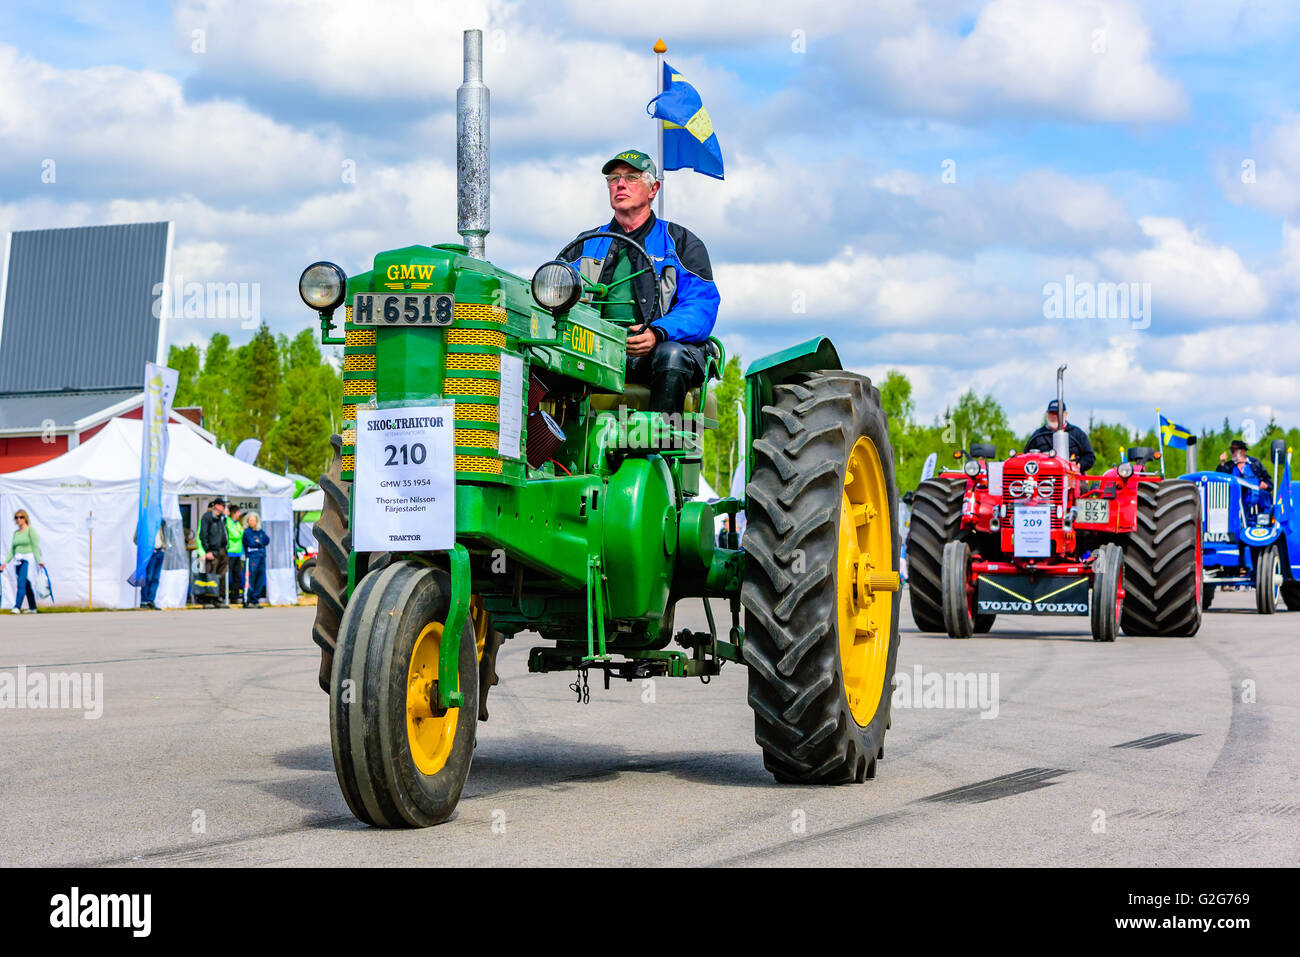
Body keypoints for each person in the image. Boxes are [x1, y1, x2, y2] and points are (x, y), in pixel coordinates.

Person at [564, 149, 720, 413]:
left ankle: (663, 447)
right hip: (594, 350)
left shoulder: (680, 243)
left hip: (657, 353)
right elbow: (551, 291)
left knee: (672, 355)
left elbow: (701, 306)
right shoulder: (585, 244)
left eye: (631, 177)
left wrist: (657, 333)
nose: (620, 184)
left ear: (653, 189)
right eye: (614, 179)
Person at [1023, 399, 1096, 472]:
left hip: (1072, 477)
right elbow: (1026, 456)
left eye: (1058, 413)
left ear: (1065, 414)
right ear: (1047, 414)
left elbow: (1090, 457)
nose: (1054, 416)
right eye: (1052, 413)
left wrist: (1078, 466)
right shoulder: (1038, 435)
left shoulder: (1077, 433)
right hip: (1043, 477)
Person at [1, 509, 44, 613]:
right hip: (18, 561)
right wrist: (5, 563)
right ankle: (33, 607)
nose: (19, 519)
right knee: (26, 584)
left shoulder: (30, 531)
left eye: (21, 517)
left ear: (25, 518)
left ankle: (17, 606)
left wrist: (39, 561)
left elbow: (35, 547)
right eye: (16, 517)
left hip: (27, 560)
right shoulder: (16, 533)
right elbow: (12, 549)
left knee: (21, 583)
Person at [1218, 440, 1272, 517]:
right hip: (1235, 502)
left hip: (1254, 503)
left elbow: (1269, 482)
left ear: (1242, 451)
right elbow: (1220, 478)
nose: (1231, 453)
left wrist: (1265, 485)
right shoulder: (1229, 466)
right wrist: (1222, 463)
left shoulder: (1255, 464)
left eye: (1233, 450)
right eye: (1231, 450)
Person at [199, 498, 230, 607]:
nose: (224, 508)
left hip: (223, 550)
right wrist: (207, 550)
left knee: (221, 576)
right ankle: (209, 600)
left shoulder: (222, 518)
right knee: (211, 575)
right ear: (216, 506)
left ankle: (218, 598)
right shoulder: (207, 517)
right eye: (222, 505)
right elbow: (203, 535)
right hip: (213, 551)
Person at [133, 518, 166, 609]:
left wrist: (163, 546)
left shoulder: (160, 521)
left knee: (156, 578)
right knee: (148, 576)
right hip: (150, 552)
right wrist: (148, 547)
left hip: (160, 551)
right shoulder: (143, 522)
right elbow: (136, 539)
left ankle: (151, 600)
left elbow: (164, 534)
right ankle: (144, 600)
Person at [242, 513, 270, 608]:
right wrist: (258, 542)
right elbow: (250, 542)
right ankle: (247, 600)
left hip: (261, 557)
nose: (252, 522)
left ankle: (255, 599)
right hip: (252, 557)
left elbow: (266, 540)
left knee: (260, 579)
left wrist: (259, 542)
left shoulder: (260, 531)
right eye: (250, 520)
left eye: (254, 520)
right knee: (251, 578)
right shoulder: (246, 532)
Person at [225, 505, 246, 606]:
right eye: (238, 512)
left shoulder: (237, 523)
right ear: (234, 513)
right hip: (229, 553)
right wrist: (240, 532)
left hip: (238, 553)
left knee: (237, 576)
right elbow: (235, 535)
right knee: (227, 576)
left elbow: (241, 533)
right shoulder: (228, 522)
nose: (239, 514)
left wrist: (240, 532)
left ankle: (235, 596)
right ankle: (225, 595)